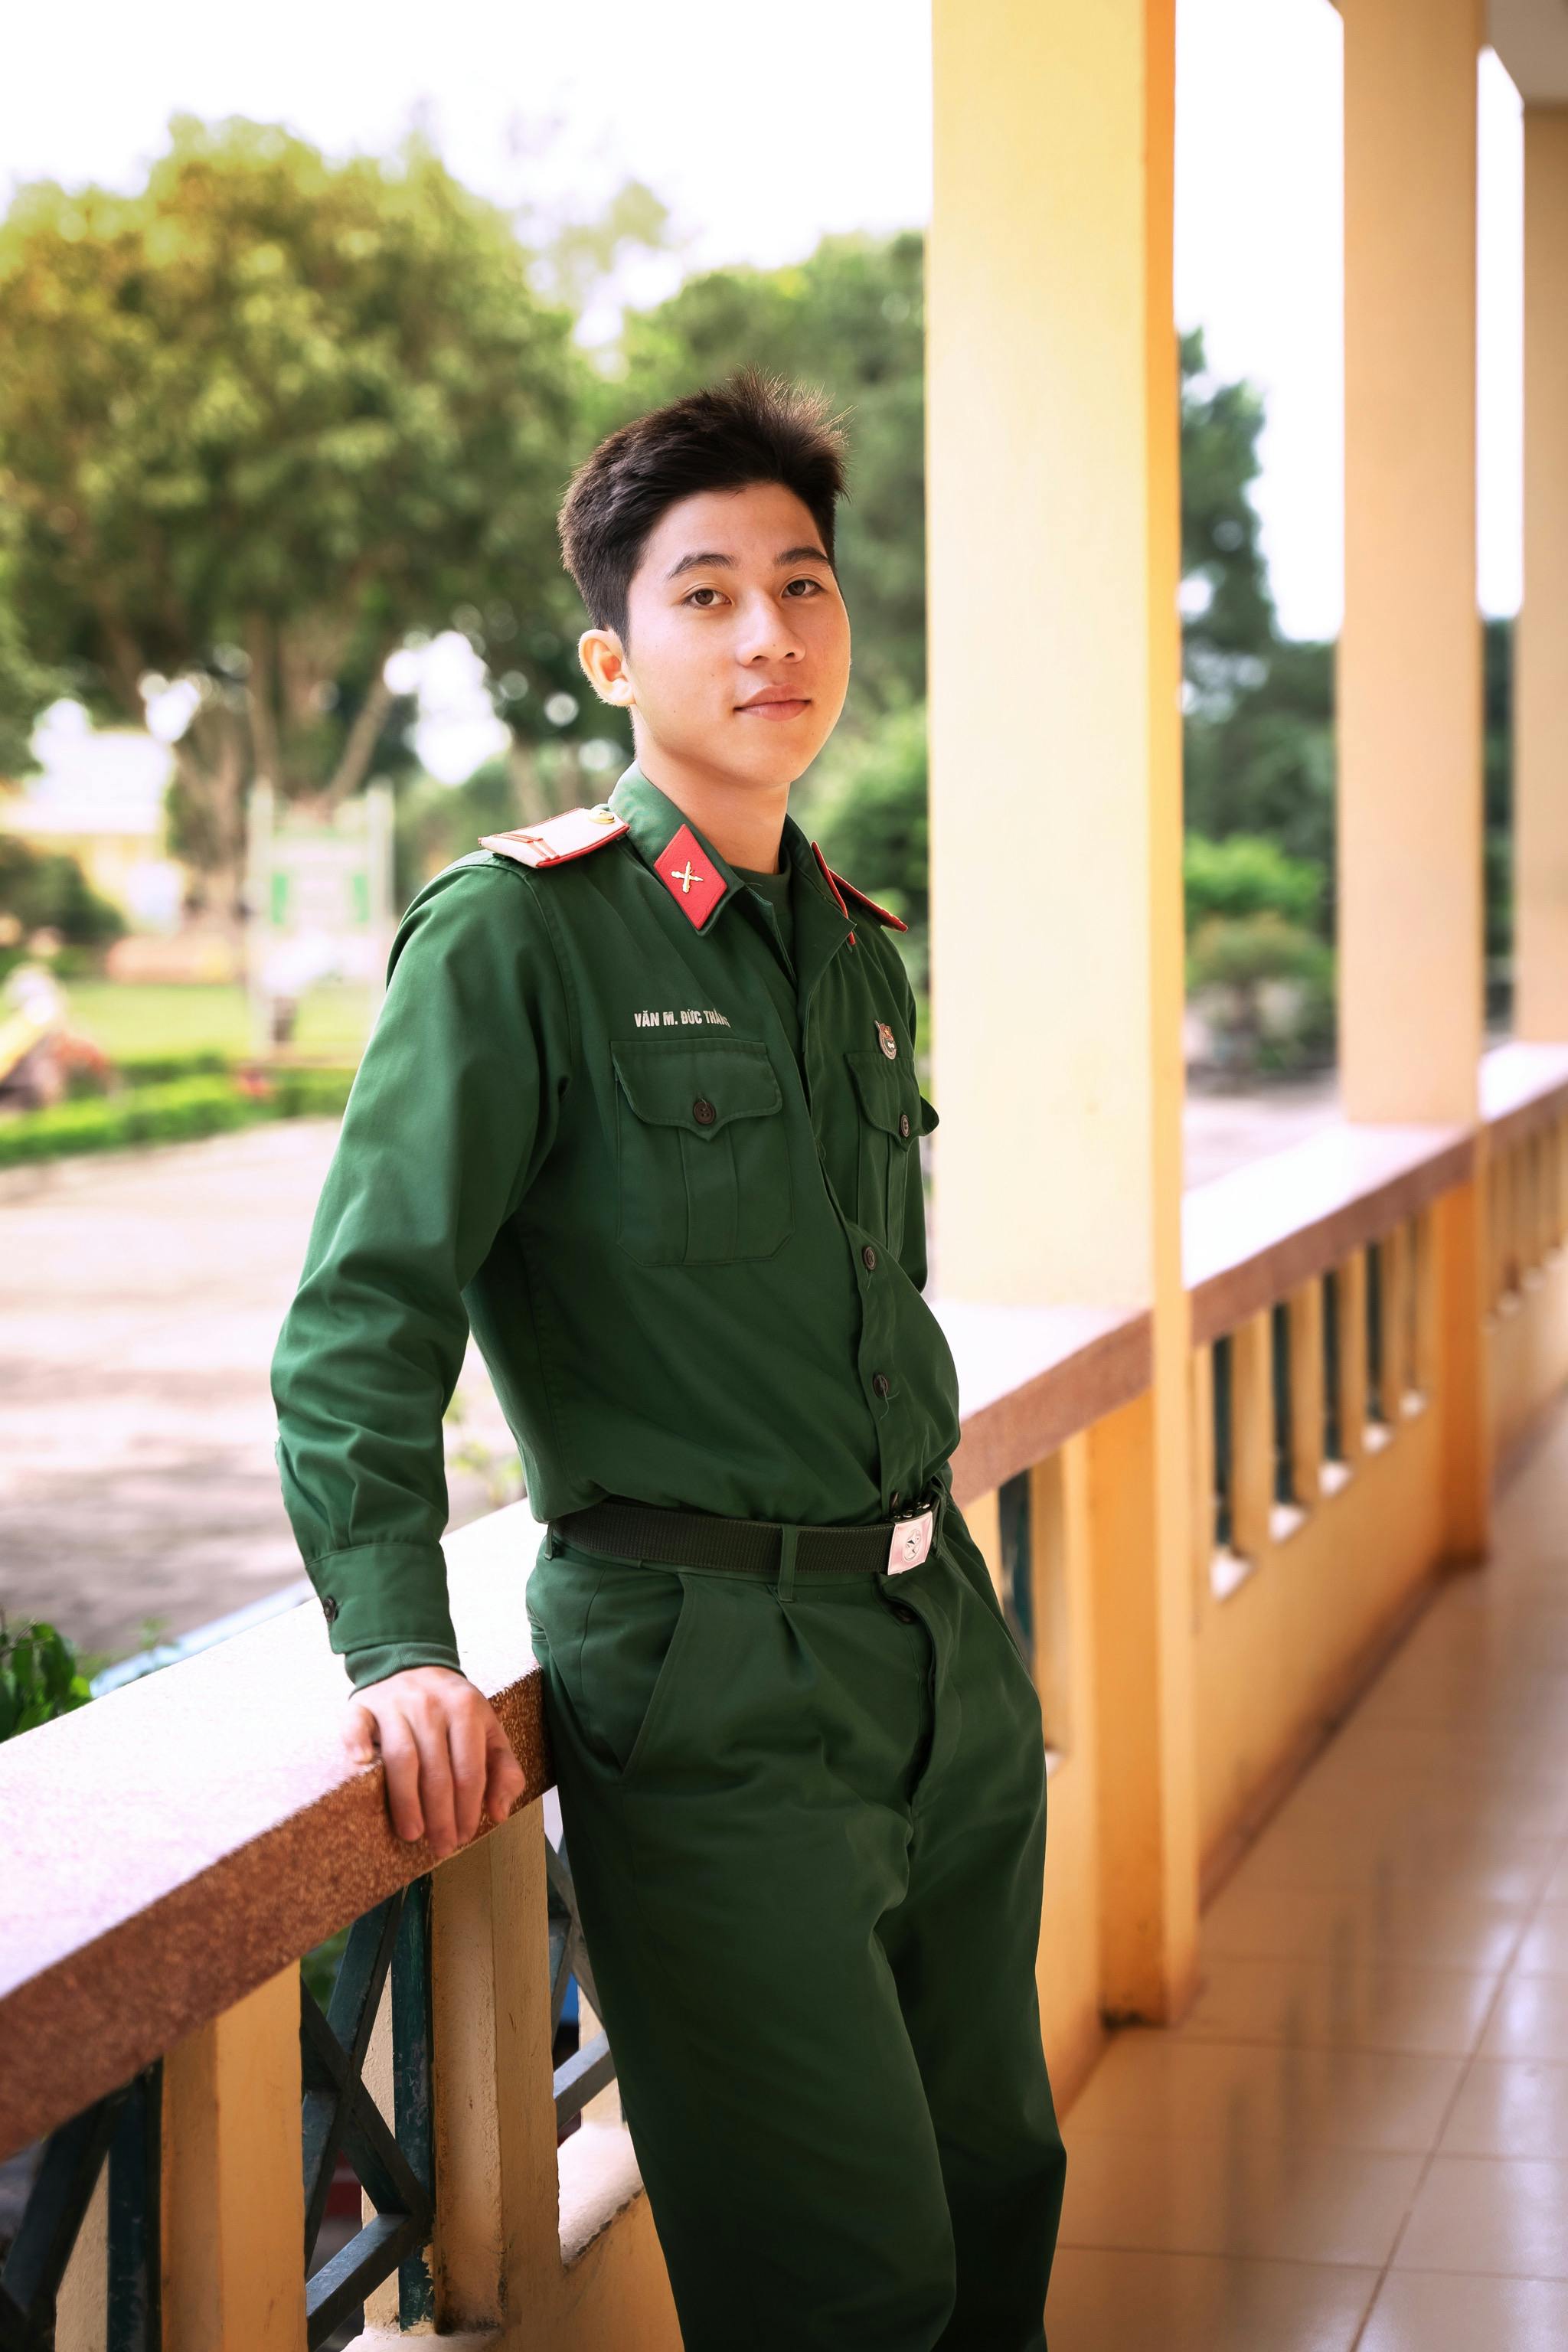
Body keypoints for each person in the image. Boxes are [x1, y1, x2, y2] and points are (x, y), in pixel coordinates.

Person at [270, 367, 1066, 2350]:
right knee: (845, 2284)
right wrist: (395, 1644)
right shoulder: (519, 938)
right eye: (706, 594)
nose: (770, 633)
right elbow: (363, 1318)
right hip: (710, 1691)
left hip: (939, 1651)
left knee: (998, 2203)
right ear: (614, 659)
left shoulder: (853, 946)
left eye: (803, 586)